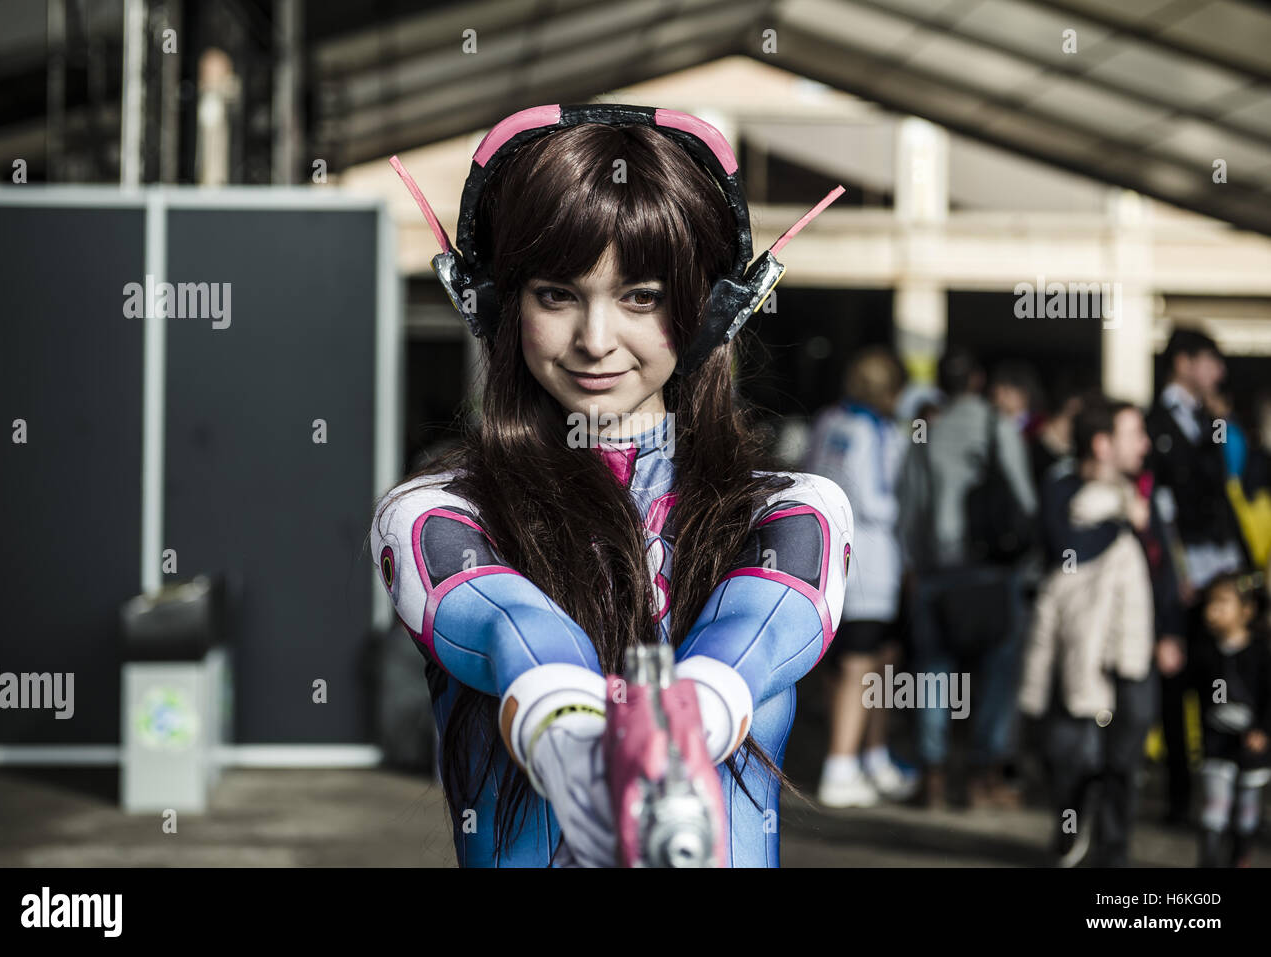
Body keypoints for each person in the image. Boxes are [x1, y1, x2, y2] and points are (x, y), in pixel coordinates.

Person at [369, 104, 854, 867]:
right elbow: (508, 627)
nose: (596, 339)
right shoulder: (437, 512)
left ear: (709, 313)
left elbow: (753, 634)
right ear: (501, 305)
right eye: (557, 294)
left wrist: (678, 726)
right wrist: (570, 733)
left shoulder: (792, 512)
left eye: (641, 296)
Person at [1019, 396, 1180, 867]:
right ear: (1102, 443)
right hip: (1076, 651)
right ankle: (1070, 828)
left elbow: (1164, 568)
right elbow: (1065, 548)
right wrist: (1120, 518)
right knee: (1069, 756)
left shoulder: (1147, 493)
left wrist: (1170, 632)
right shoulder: (1062, 489)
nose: (1145, 445)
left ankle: (1113, 855)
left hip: (1134, 648)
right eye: (1135, 435)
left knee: (1124, 766)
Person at [897, 347, 1038, 809]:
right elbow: (1022, 500)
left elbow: (911, 504)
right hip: (992, 568)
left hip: (938, 568)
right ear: (977, 381)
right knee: (998, 673)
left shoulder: (925, 431)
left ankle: (933, 774)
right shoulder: (999, 426)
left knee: (934, 674)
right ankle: (983, 775)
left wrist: (914, 562)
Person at [1146, 328, 1250, 825]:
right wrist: (1178, 570)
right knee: (1175, 682)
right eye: (1211, 360)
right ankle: (1179, 796)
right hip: (1181, 575)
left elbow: (1226, 488)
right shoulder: (1155, 421)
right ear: (1184, 362)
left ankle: (1223, 782)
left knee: (1220, 679)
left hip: (1220, 571)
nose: (1218, 373)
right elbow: (1162, 506)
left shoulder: (1210, 420)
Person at [806, 346, 917, 806]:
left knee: (861, 662)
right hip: (873, 563)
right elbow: (878, 501)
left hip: (830, 554)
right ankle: (842, 765)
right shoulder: (876, 430)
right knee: (861, 665)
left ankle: (871, 757)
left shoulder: (828, 420)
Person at [1186, 571, 1271, 867]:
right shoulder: (1203, 652)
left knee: (1247, 812)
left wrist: (1262, 730)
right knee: (1214, 810)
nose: (1213, 611)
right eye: (1210, 604)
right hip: (1215, 743)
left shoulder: (1262, 652)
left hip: (1253, 748)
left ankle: (1241, 857)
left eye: (1223, 603)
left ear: (1246, 610)